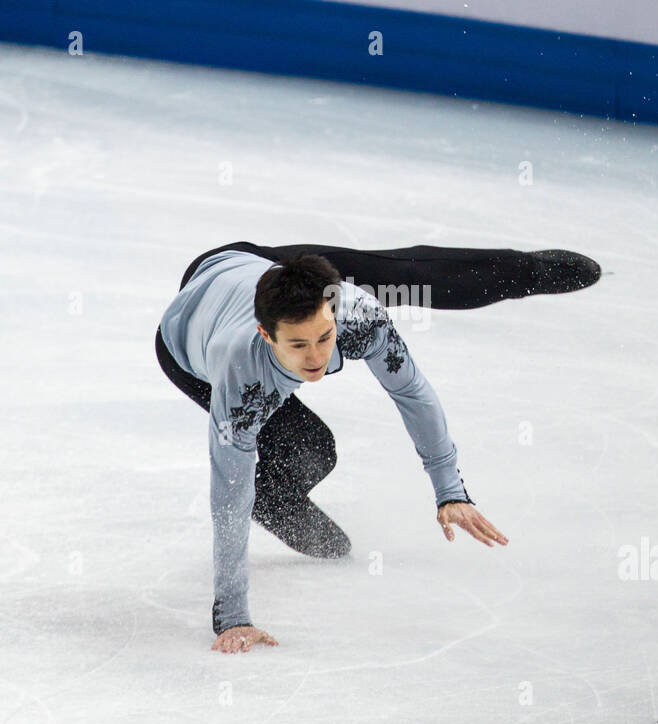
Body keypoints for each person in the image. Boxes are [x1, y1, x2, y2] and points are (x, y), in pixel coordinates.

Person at [155, 240, 601, 654]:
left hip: (246, 262)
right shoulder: (241, 375)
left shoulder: (356, 314)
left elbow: (412, 393)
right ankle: (274, 497)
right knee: (311, 449)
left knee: (402, 276)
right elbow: (229, 490)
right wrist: (233, 617)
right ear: (268, 335)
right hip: (184, 345)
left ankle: (527, 271)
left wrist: (451, 491)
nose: (316, 359)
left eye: (324, 339)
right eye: (298, 345)